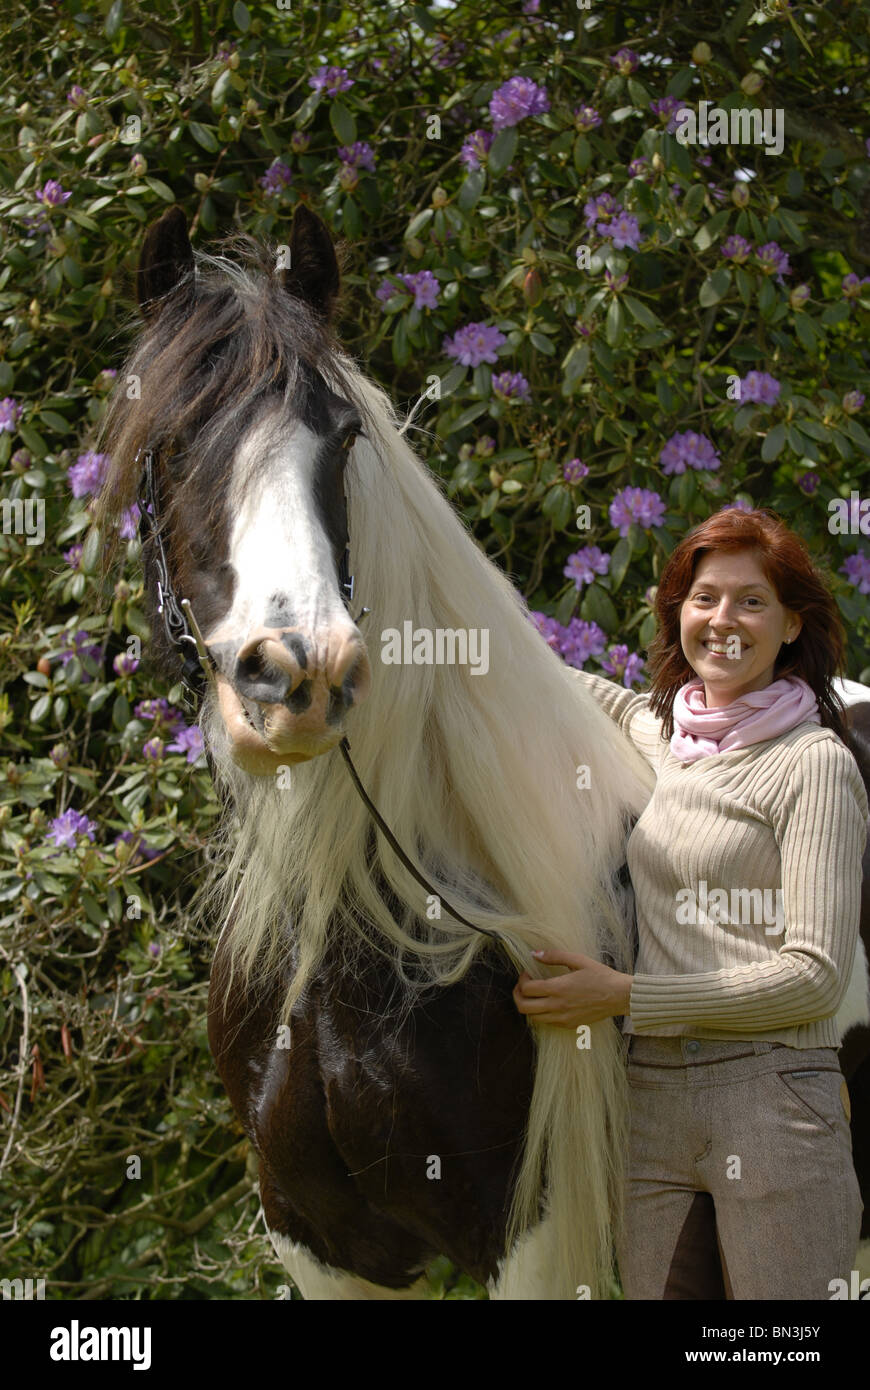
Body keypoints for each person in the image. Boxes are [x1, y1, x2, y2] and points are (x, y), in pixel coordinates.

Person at [513, 507, 867, 1299]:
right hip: (653, 1108)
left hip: (774, 1102)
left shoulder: (813, 764)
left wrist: (626, 996)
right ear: (677, 611)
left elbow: (813, 976)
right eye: (705, 597)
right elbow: (564, 688)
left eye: (752, 601)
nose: (724, 620)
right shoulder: (665, 736)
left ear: (790, 626)